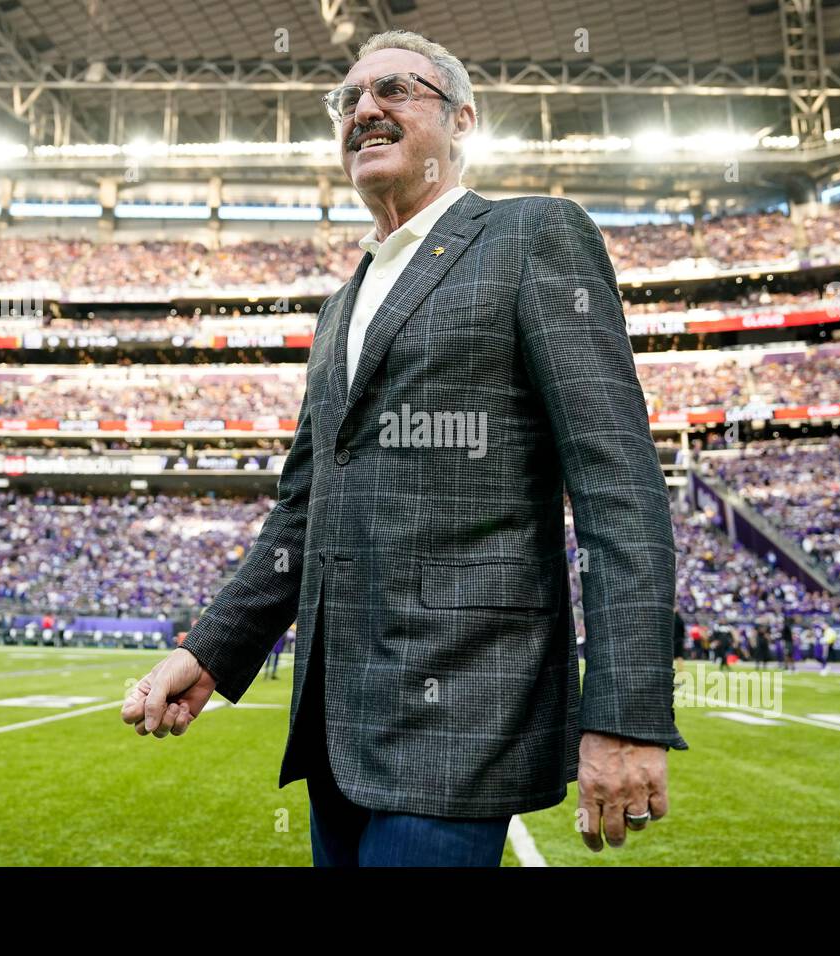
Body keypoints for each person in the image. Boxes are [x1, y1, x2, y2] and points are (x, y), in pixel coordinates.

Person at [121, 29, 684, 866]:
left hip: (464, 704)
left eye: (395, 89)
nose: (365, 109)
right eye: (348, 100)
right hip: (336, 716)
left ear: (461, 119)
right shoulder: (339, 307)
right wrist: (208, 651)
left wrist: (626, 710)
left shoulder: (534, 236)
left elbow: (619, 485)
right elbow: (302, 516)